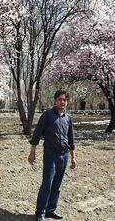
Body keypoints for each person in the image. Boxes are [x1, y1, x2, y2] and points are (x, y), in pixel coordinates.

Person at [28, 90, 76, 221]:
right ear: (55, 100)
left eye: (65, 100)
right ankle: (40, 212)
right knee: (47, 183)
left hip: (63, 155)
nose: (62, 102)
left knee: (57, 185)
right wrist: (32, 152)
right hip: (50, 154)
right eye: (60, 99)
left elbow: (70, 138)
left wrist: (73, 157)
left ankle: (51, 210)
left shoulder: (68, 118)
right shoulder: (47, 115)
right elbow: (37, 134)